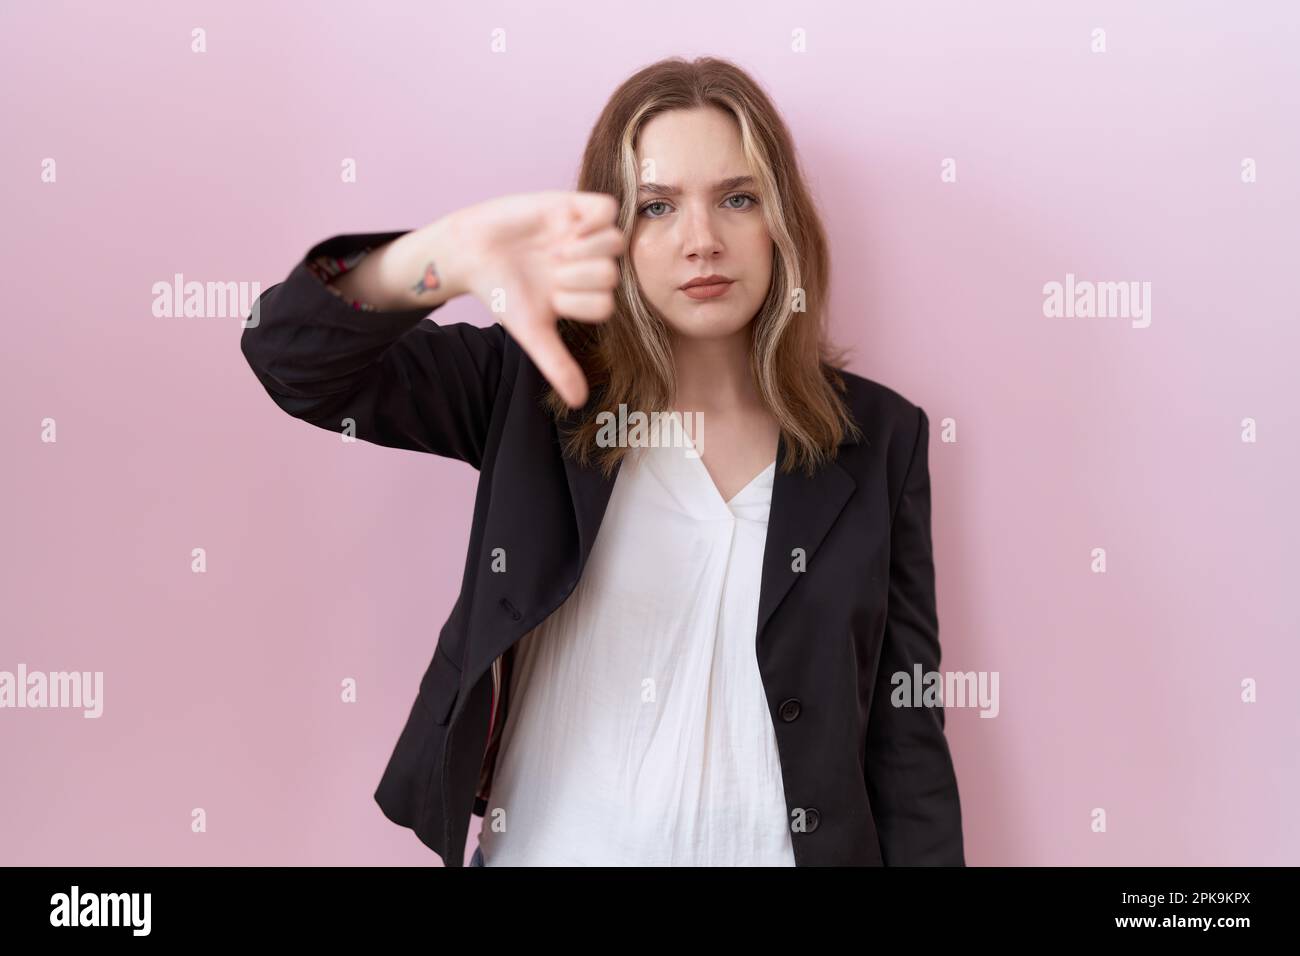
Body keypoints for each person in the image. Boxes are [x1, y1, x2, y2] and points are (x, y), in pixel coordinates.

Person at [241, 55, 964, 867]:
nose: (702, 241)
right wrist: (443, 254)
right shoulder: (533, 389)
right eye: (658, 206)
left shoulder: (880, 439)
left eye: (737, 197)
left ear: (781, 223)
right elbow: (288, 355)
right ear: (614, 231)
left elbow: (907, 742)